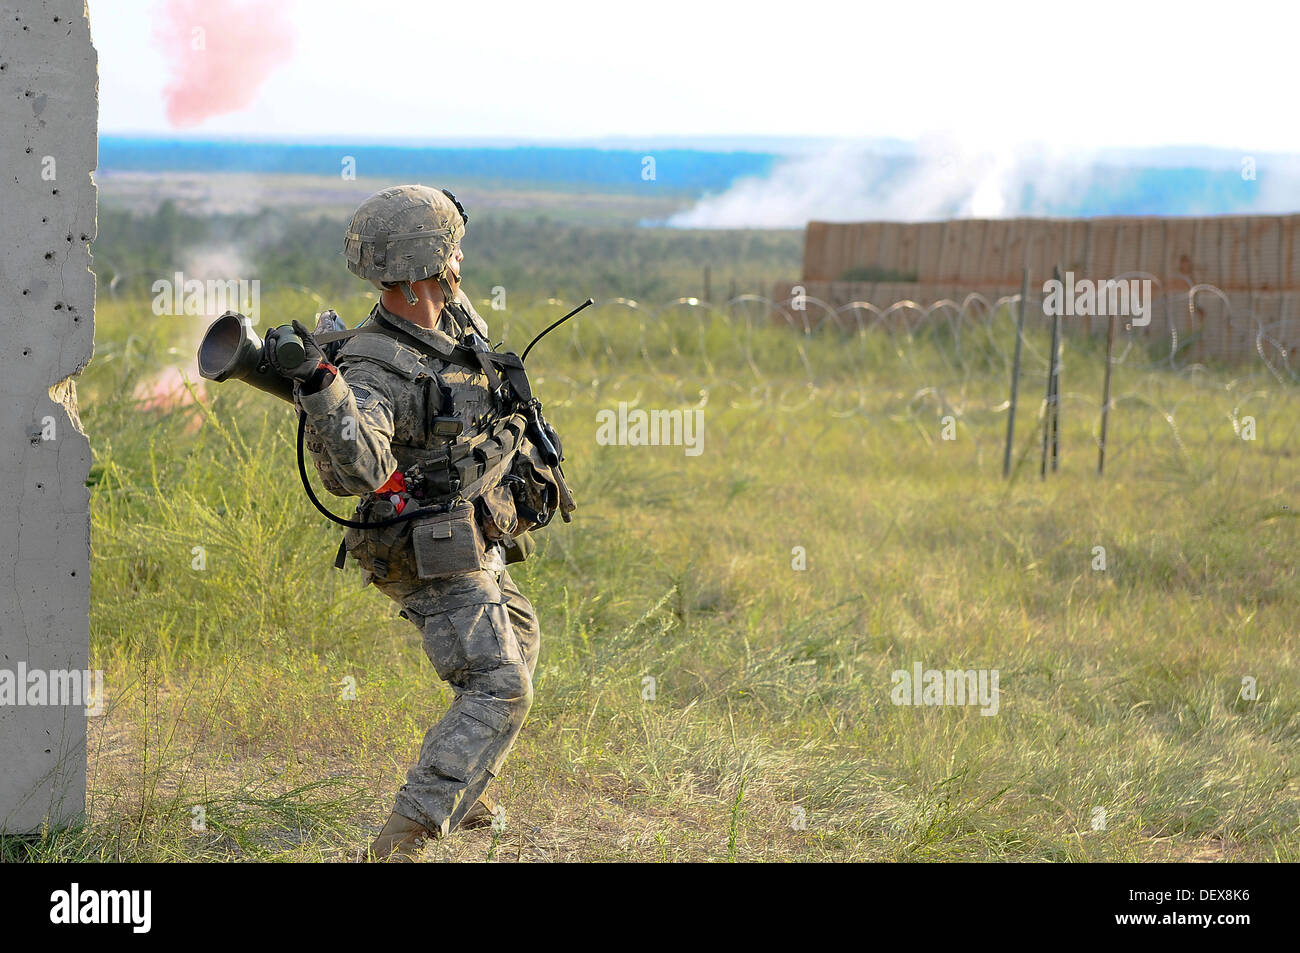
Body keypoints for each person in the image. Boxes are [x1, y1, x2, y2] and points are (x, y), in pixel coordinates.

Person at [268, 184, 572, 861]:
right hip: (421, 544)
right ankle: (405, 834)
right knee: (499, 683)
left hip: (471, 526)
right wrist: (322, 387)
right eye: (451, 247)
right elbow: (361, 468)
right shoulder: (376, 367)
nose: (461, 257)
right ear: (425, 265)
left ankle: (468, 791)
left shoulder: (452, 320)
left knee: (520, 636)